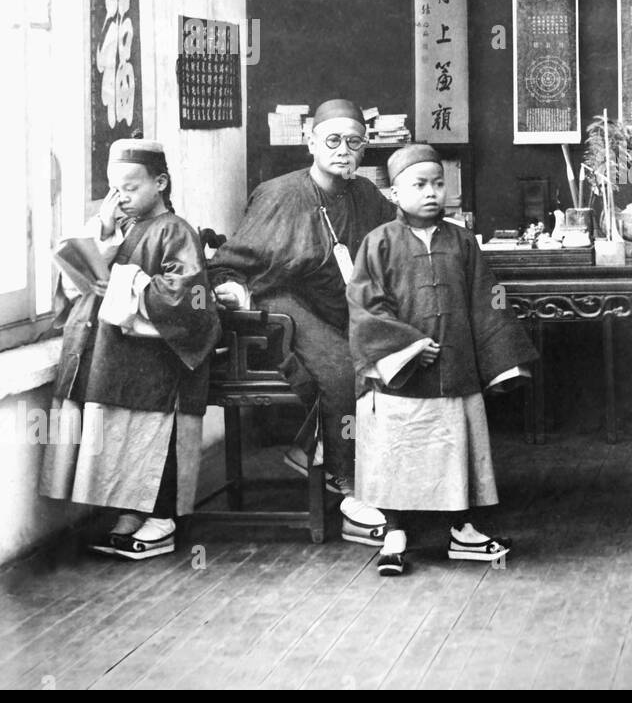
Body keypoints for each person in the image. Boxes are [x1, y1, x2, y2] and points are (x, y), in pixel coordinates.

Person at [208, 99, 394, 545]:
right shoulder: (281, 193)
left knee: (391, 356)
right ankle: (346, 487)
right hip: (283, 302)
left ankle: (335, 458)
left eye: (354, 142)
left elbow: (392, 242)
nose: (343, 150)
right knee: (343, 370)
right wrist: (232, 288)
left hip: (341, 305)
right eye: (332, 140)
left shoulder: (365, 195)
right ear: (311, 141)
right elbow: (230, 264)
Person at [346, 145, 537, 575]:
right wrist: (408, 346)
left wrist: (503, 359)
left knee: (455, 452)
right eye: (419, 184)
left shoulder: (462, 241)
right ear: (394, 193)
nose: (432, 192)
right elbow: (364, 308)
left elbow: (487, 299)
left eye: (438, 183)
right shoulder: (378, 243)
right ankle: (394, 533)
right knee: (396, 453)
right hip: (400, 376)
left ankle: (462, 529)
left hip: (455, 370)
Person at [41, 139, 221, 560]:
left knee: (151, 440)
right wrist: (101, 238)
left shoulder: (175, 230)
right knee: (119, 440)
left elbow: (190, 297)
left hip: (152, 362)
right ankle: (129, 511)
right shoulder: (115, 228)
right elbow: (77, 281)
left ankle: (162, 519)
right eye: (113, 188)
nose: (120, 197)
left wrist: (130, 283)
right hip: (110, 354)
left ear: (160, 183)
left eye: (130, 187)